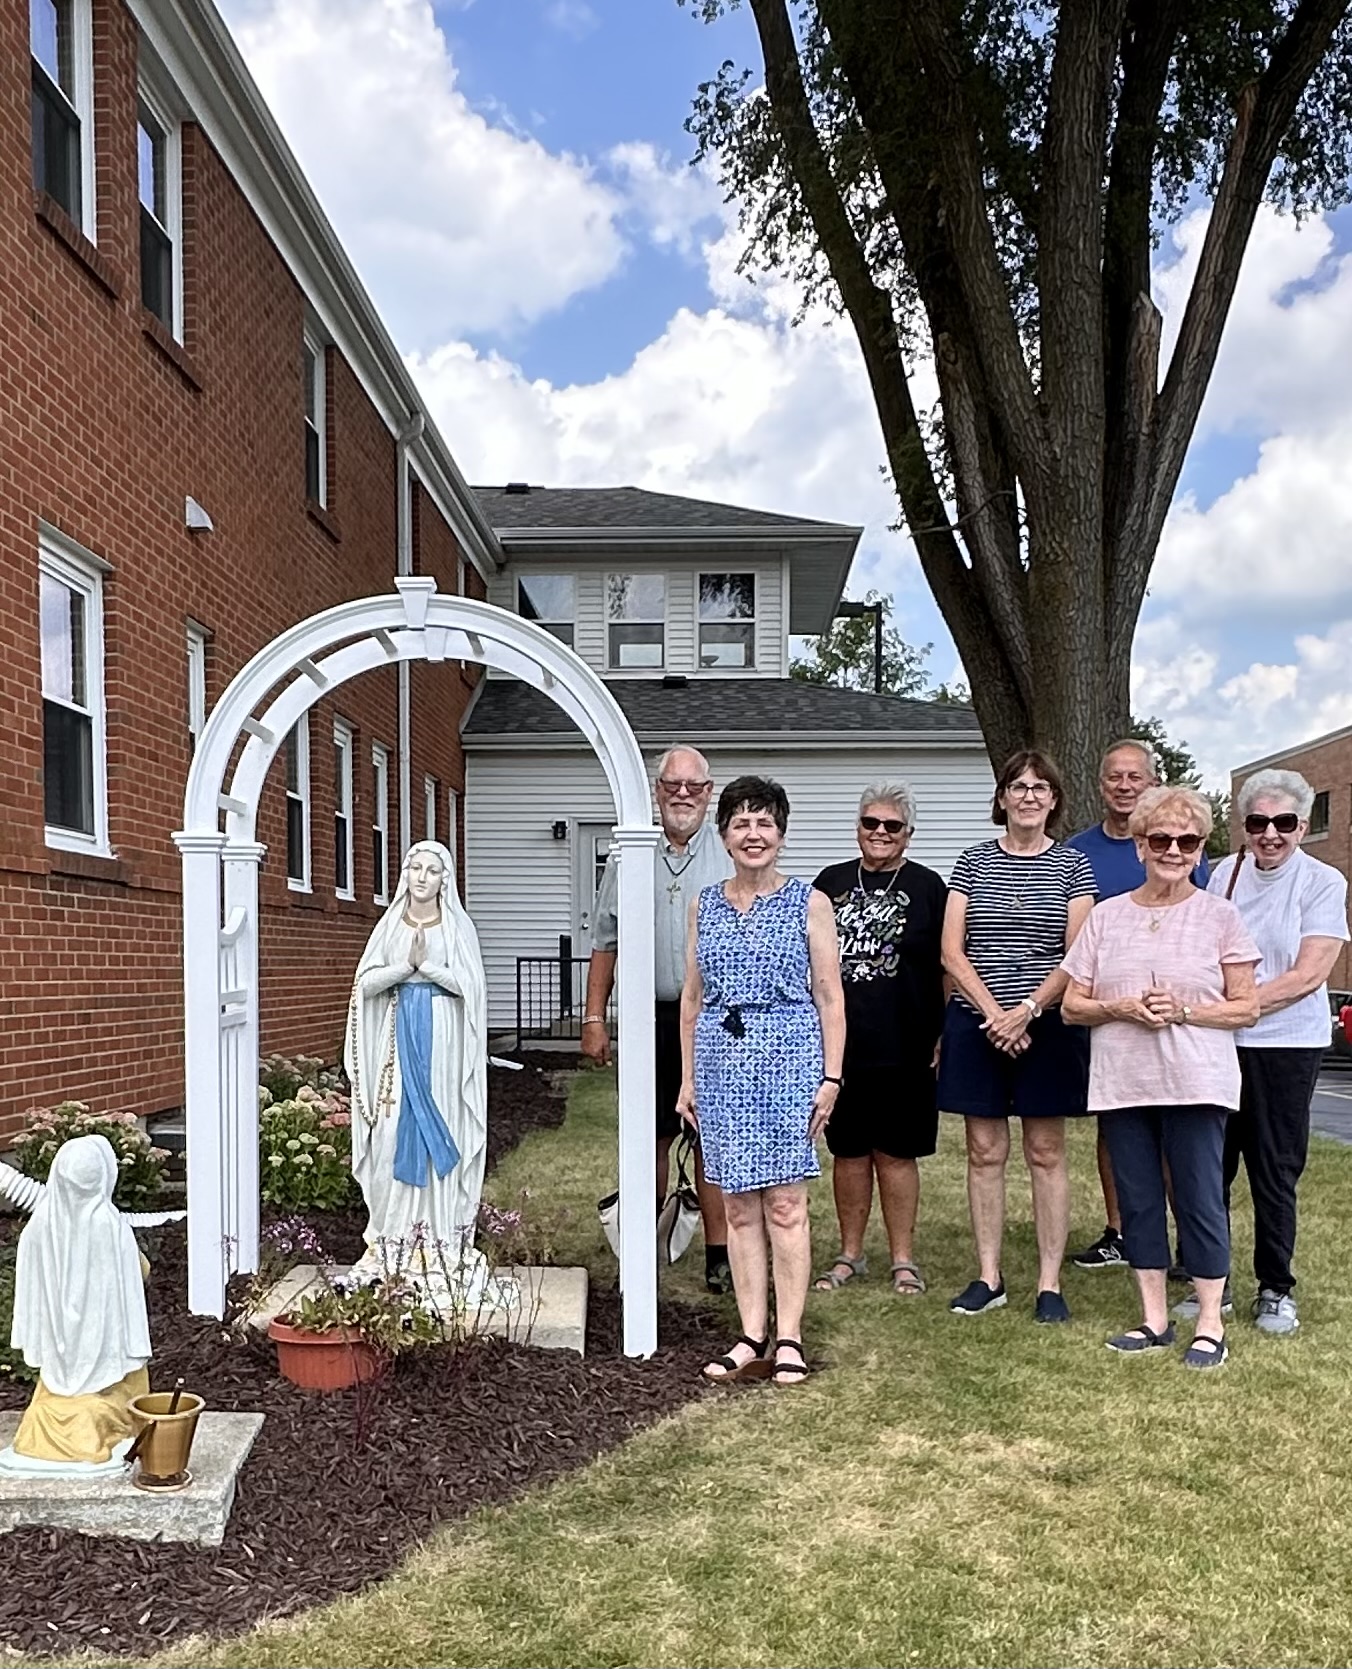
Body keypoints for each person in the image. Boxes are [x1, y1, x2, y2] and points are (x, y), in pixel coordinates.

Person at [1063, 787, 1260, 1369]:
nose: (1173, 849)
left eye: (1188, 841)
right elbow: (1074, 1004)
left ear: (1200, 850)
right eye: (1160, 839)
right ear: (1142, 845)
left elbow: (1245, 1007)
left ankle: (1207, 1322)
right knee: (1139, 1201)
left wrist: (1185, 1012)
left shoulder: (1220, 916)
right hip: (1124, 1082)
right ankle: (1152, 1319)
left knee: (1200, 1200)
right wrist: (1122, 1008)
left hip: (1197, 1082)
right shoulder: (1107, 915)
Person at [678, 776, 845, 1386]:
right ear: (723, 835)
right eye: (741, 823)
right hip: (722, 1063)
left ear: (782, 832)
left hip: (790, 1058)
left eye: (765, 823)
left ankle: (790, 1336)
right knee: (739, 1206)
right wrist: (688, 1078)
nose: (754, 834)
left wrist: (831, 1077)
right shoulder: (705, 903)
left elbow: (829, 995)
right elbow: (692, 998)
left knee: (785, 1203)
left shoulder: (810, 903)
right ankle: (751, 1334)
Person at [939, 749, 1097, 1322]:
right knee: (984, 1152)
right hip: (977, 1021)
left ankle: (1049, 1284)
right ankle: (989, 1276)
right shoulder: (972, 862)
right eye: (1017, 786)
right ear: (1001, 797)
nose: (1028, 796)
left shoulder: (1075, 867)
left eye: (1040, 787)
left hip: (1047, 1025)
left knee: (1045, 1151)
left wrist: (1027, 1010)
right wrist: (994, 1015)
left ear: (1053, 800)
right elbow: (951, 951)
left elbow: (1078, 954)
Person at [1204, 769, 1350, 1335]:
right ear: (1242, 826)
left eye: (1283, 823)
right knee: (1210, 1165)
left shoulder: (1322, 881)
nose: (1270, 834)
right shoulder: (1223, 873)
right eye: (1258, 822)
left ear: (1302, 824)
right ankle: (1206, 1278)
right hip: (1221, 1042)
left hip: (1286, 1045)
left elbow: (1309, 974)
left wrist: (1237, 1006)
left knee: (1273, 1168)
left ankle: (1274, 1287)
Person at [583, 744, 732, 1292]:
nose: (683, 795)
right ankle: (643, 1248)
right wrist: (594, 1017)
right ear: (656, 789)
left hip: (714, 1022)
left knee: (712, 1141)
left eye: (694, 786)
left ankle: (719, 1256)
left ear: (709, 793)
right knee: (650, 1137)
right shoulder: (628, 853)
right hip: (648, 1021)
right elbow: (604, 941)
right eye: (673, 785)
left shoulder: (728, 853)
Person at [1067, 740, 1210, 1272]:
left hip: (1178, 1015)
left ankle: (1183, 1241)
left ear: (1151, 782)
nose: (1124, 785)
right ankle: (1119, 1230)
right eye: (1114, 777)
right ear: (1101, 784)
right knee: (1116, 1126)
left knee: (1178, 1131)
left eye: (1135, 776)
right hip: (1108, 1007)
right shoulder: (1077, 849)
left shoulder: (1183, 843)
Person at [811, 782, 947, 1296]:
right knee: (848, 1151)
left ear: (908, 835)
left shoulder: (930, 888)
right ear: (858, 829)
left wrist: (942, 1032)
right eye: (872, 823)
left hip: (907, 1042)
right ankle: (849, 1254)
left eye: (892, 826)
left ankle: (903, 1259)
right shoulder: (829, 884)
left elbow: (947, 965)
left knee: (896, 1153)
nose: (881, 833)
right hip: (843, 1045)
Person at [345, 841, 489, 1288]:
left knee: (440, 1127)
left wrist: (428, 969)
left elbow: (471, 988)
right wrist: (404, 969)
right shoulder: (389, 928)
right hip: (396, 1040)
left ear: (445, 879)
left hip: (444, 1045)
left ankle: (440, 1238)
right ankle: (392, 1238)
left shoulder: (456, 928)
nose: (422, 876)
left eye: (432, 869)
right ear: (405, 874)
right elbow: (364, 985)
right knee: (389, 1134)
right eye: (415, 868)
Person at [3, 1135, 152, 1469]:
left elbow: (32, 1295)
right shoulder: (109, 1226)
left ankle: (68, 1395)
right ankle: (95, 1403)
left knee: (56, 1393)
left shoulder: (39, 1225)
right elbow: (138, 1275)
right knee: (129, 1384)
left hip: (59, 1349)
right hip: (105, 1347)